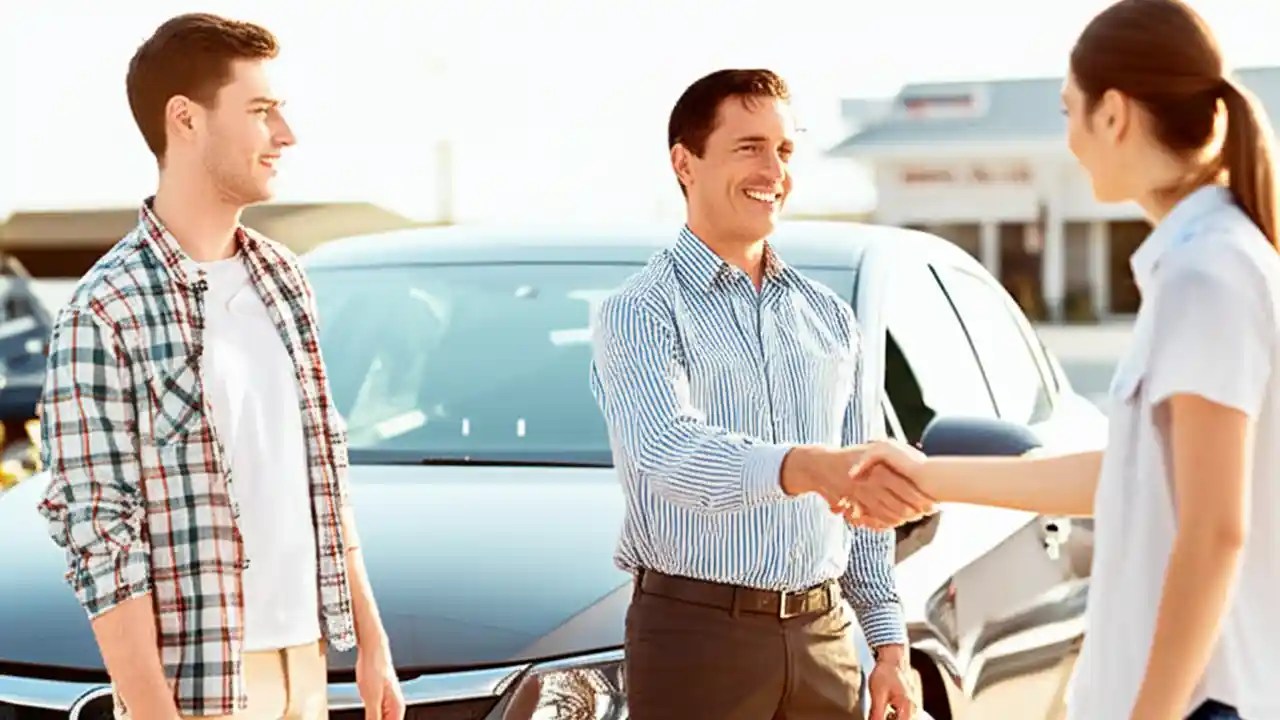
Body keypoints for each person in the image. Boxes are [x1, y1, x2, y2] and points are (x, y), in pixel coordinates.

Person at [852, 2, 1280, 718]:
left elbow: (1214, 530)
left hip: (1199, 705)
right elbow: (1130, 477)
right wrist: (929, 475)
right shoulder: (1206, 266)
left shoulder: (1207, 275)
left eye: (1069, 111)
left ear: (1113, 114)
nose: (1072, 140)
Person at [35, 13, 405, 720]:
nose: (285, 136)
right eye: (261, 112)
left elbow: (323, 474)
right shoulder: (104, 311)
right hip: (200, 686)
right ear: (186, 120)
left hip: (307, 665)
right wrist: (151, 711)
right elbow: (100, 534)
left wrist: (369, 639)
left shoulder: (285, 280)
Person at [588, 68, 933, 720]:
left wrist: (888, 643)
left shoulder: (831, 318)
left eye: (784, 150)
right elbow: (668, 451)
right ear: (684, 163)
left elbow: (859, 492)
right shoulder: (639, 312)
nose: (774, 169)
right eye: (749, 146)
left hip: (825, 637)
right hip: (697, 638)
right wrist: (804, 467)